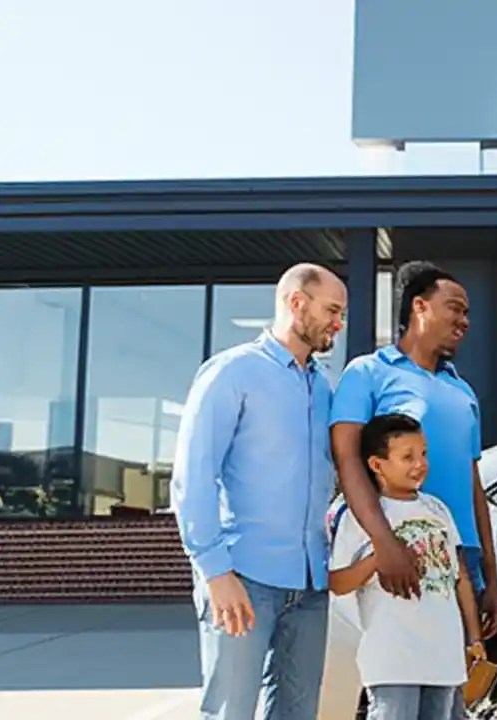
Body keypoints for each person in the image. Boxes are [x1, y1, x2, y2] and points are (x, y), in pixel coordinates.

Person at [171, 263, 348, 720]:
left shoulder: (323, 387)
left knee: (299, 712)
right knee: (231, 712)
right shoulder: (232, 373)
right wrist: (215, 572)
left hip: (310, 585)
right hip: (243, 579)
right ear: (296, 302)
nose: (338, 323)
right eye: (332, 310)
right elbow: (193, 477)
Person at [329, 261, 497, 635]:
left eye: (467, 312)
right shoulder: (368, 373)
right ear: (419, 307)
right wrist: (384, 543)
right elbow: (347, 461)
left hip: (460, 559)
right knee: (398, 680)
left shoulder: (463, 391)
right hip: (399, 550)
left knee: (454, 686)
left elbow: (473, 484)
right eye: (455, 307)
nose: (464, 321)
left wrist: (491, 575)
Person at [329, 413, 486, 720]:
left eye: (424, 454)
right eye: (407, 457)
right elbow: (338, 583)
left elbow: (460, 577)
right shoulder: (361, 517)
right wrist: (379, 559)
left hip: (443, 657)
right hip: (393, 660)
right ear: (377, 465)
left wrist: (473, 637)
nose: (420, 464)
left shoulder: (437, 509)